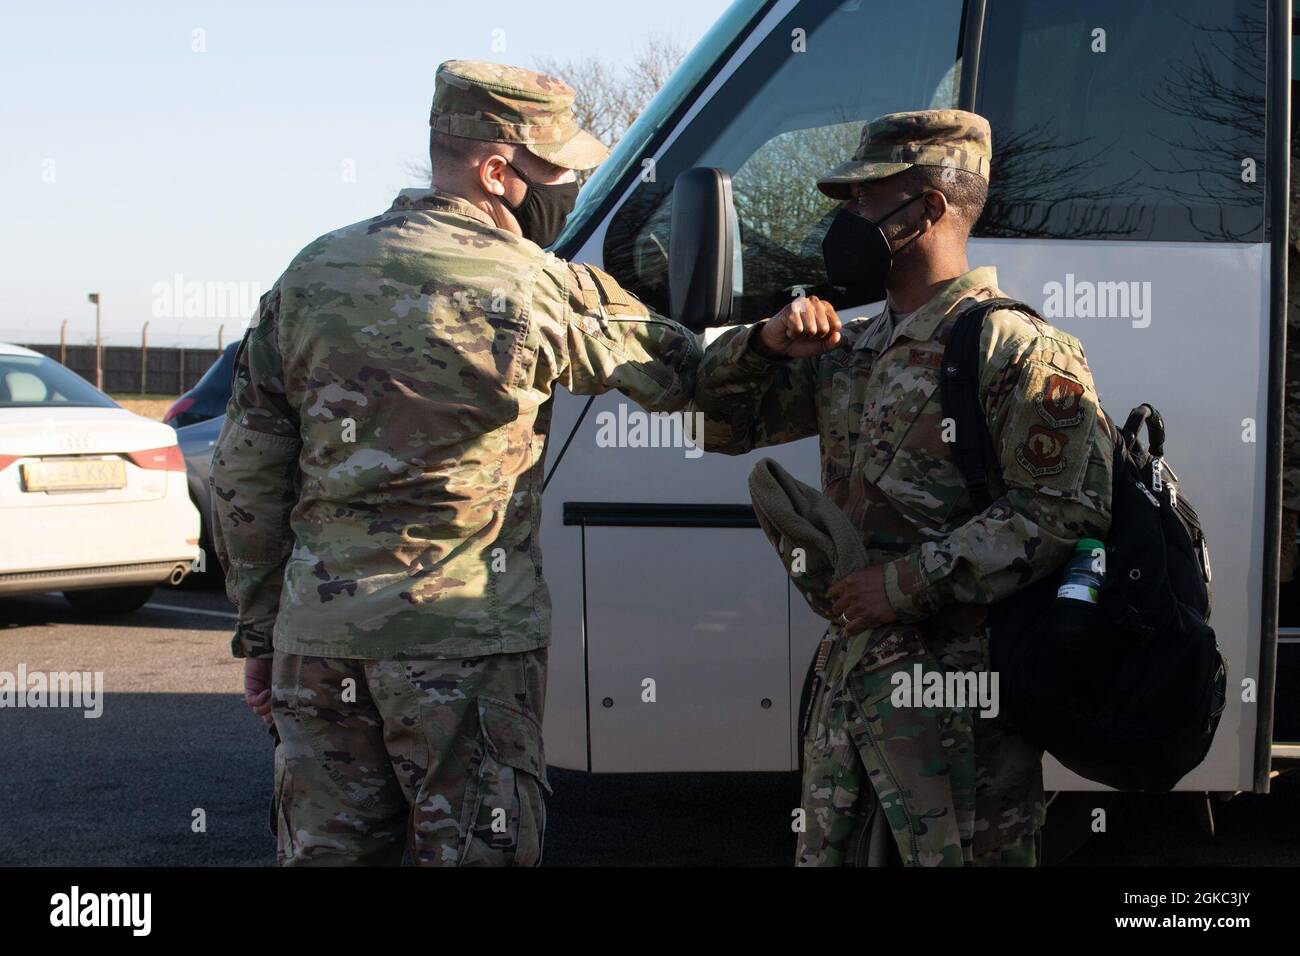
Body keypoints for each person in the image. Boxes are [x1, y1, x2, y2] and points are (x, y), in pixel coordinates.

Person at [210, 60, 701, 866]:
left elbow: (245, 476)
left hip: (320, 642)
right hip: (464, 648)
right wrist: (788, 337)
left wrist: (262, 634)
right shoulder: (540, 287)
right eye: (560, 171)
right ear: (499, 172)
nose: (570, 186)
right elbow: (682, 373)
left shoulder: (312, 274)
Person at [691, 109, 1113, 866]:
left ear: (927, 208)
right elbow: (719, 426)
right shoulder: (851, 348)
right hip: (853, 701)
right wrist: (762, 343)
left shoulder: (1019, 347)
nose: (846, 217)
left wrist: (903, 585)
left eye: (864, 197)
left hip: (963, 715)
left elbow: (1063, 512)